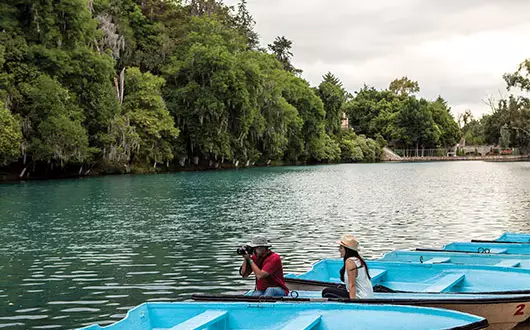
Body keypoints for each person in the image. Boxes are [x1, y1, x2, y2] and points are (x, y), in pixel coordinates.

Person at [322, 234, 373, 299]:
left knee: (326, 292)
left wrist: (353, 302)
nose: (339, 250)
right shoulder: (357, 259)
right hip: (367, 295)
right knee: (338, 287)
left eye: (341, 247)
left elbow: (352, 285)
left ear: (347, 249)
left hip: (361, 297)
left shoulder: (350, 261)